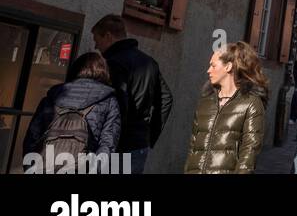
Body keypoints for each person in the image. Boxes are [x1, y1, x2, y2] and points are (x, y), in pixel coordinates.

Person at [92, 14, 172, 174]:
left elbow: (117, 103)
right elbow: (166, 99)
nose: (95, 46)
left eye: (96, 40)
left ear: (108, 36)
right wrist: (149, 135)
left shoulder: (113, 64)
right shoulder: (149, 62)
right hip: (138, 144)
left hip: (116, 146)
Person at [23, 52, 122, 170]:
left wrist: (30, 168)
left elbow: (32, 136)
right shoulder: (109, 101)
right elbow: (107, 145)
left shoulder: (53, 96)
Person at [184, 42, 267, 174]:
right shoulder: (205, 103)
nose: (208, 70)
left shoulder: (251, 104)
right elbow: (193, 147)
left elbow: (249, 153)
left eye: (213, 65)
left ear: (228, 67)